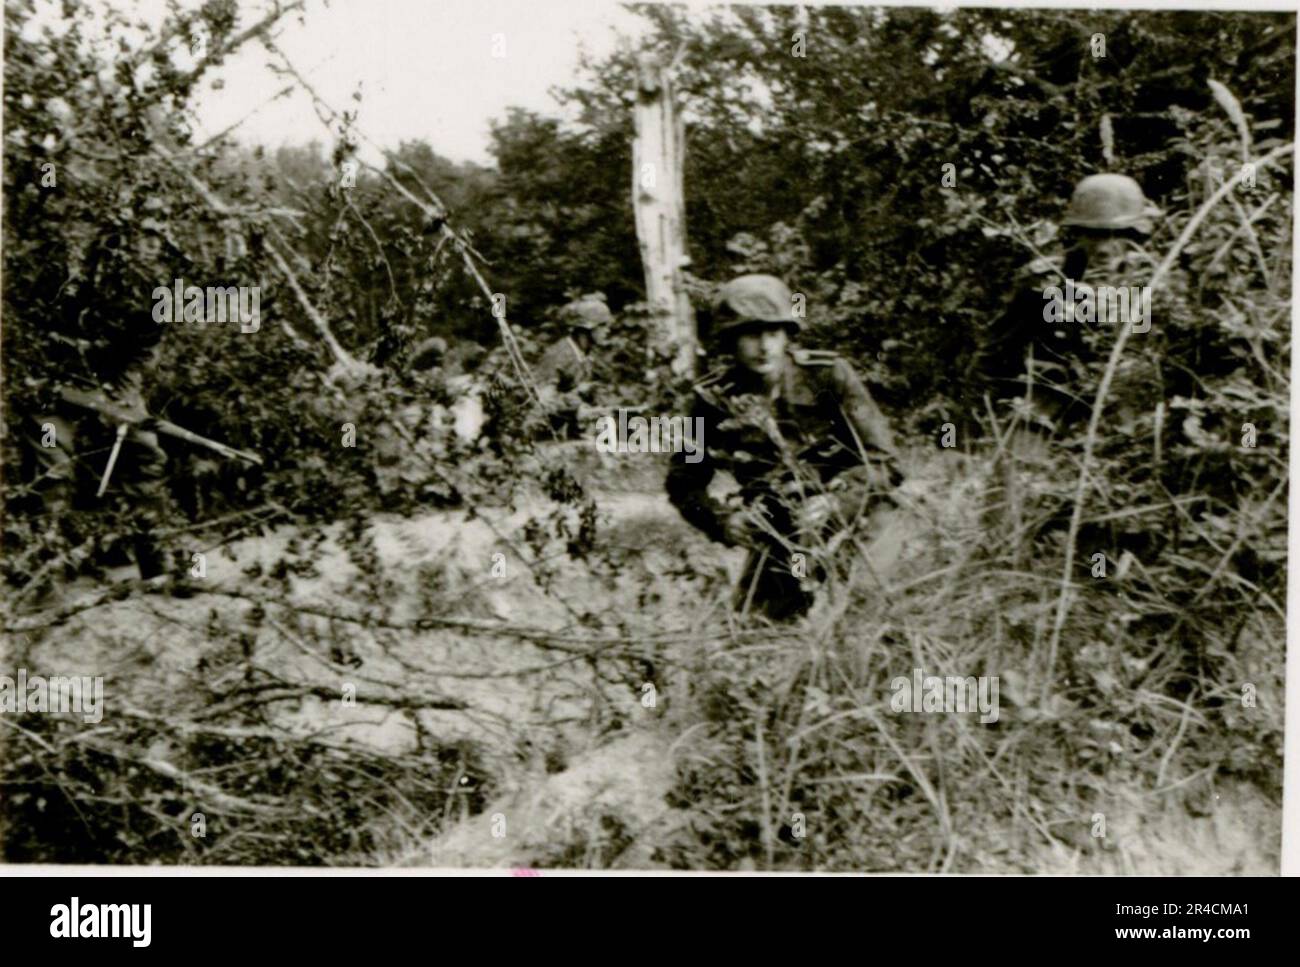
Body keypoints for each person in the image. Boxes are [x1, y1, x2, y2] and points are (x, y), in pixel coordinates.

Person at [666, 274, 902, 621]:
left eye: (774, 333)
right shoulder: (712, 399)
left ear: (787, 336)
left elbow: (886, 461)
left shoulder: (829, 375)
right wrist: (725, 521)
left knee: (862, 613)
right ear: (730, 340)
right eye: (751, 334)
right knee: (756, 635)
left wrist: (838, 500)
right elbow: (683, 482)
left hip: (857, 520)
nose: (764, 346)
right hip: (782, 536)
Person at [533, 293, 612, 437]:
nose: (608, 330)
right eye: (602, 325)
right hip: (542, 432)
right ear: (586, 329)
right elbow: (544, 402)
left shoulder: (586, 354)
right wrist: (577, 410)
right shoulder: (558, 355)